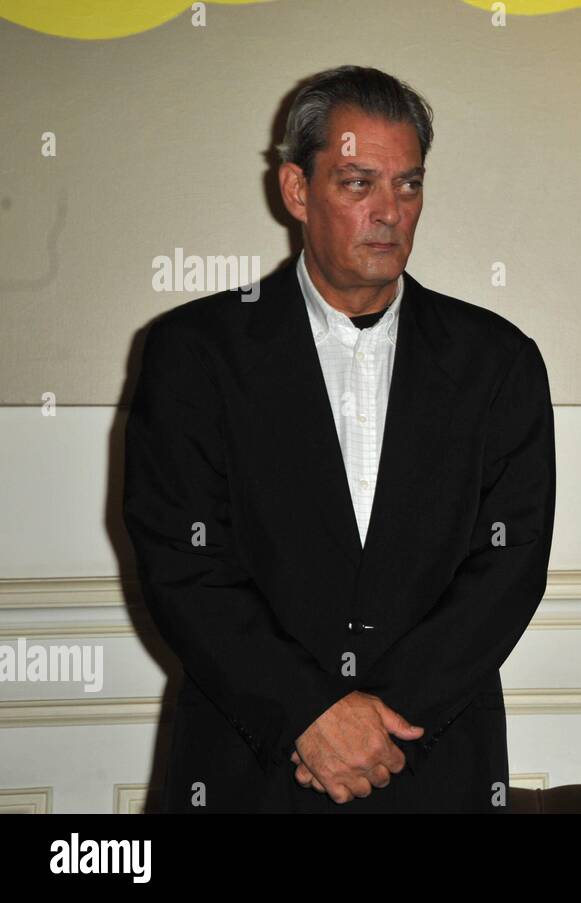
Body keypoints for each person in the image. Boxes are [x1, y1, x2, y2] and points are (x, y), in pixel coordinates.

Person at [123, 66, 555, 812]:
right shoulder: (193, 352)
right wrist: (308, 715)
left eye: (409, 185)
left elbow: (508, 570)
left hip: (434, 768)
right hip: (248, 771)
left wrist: (374, 729)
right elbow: (183, 567)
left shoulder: (499, 360)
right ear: (296, 191)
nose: (390, 212)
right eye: (359, 184)